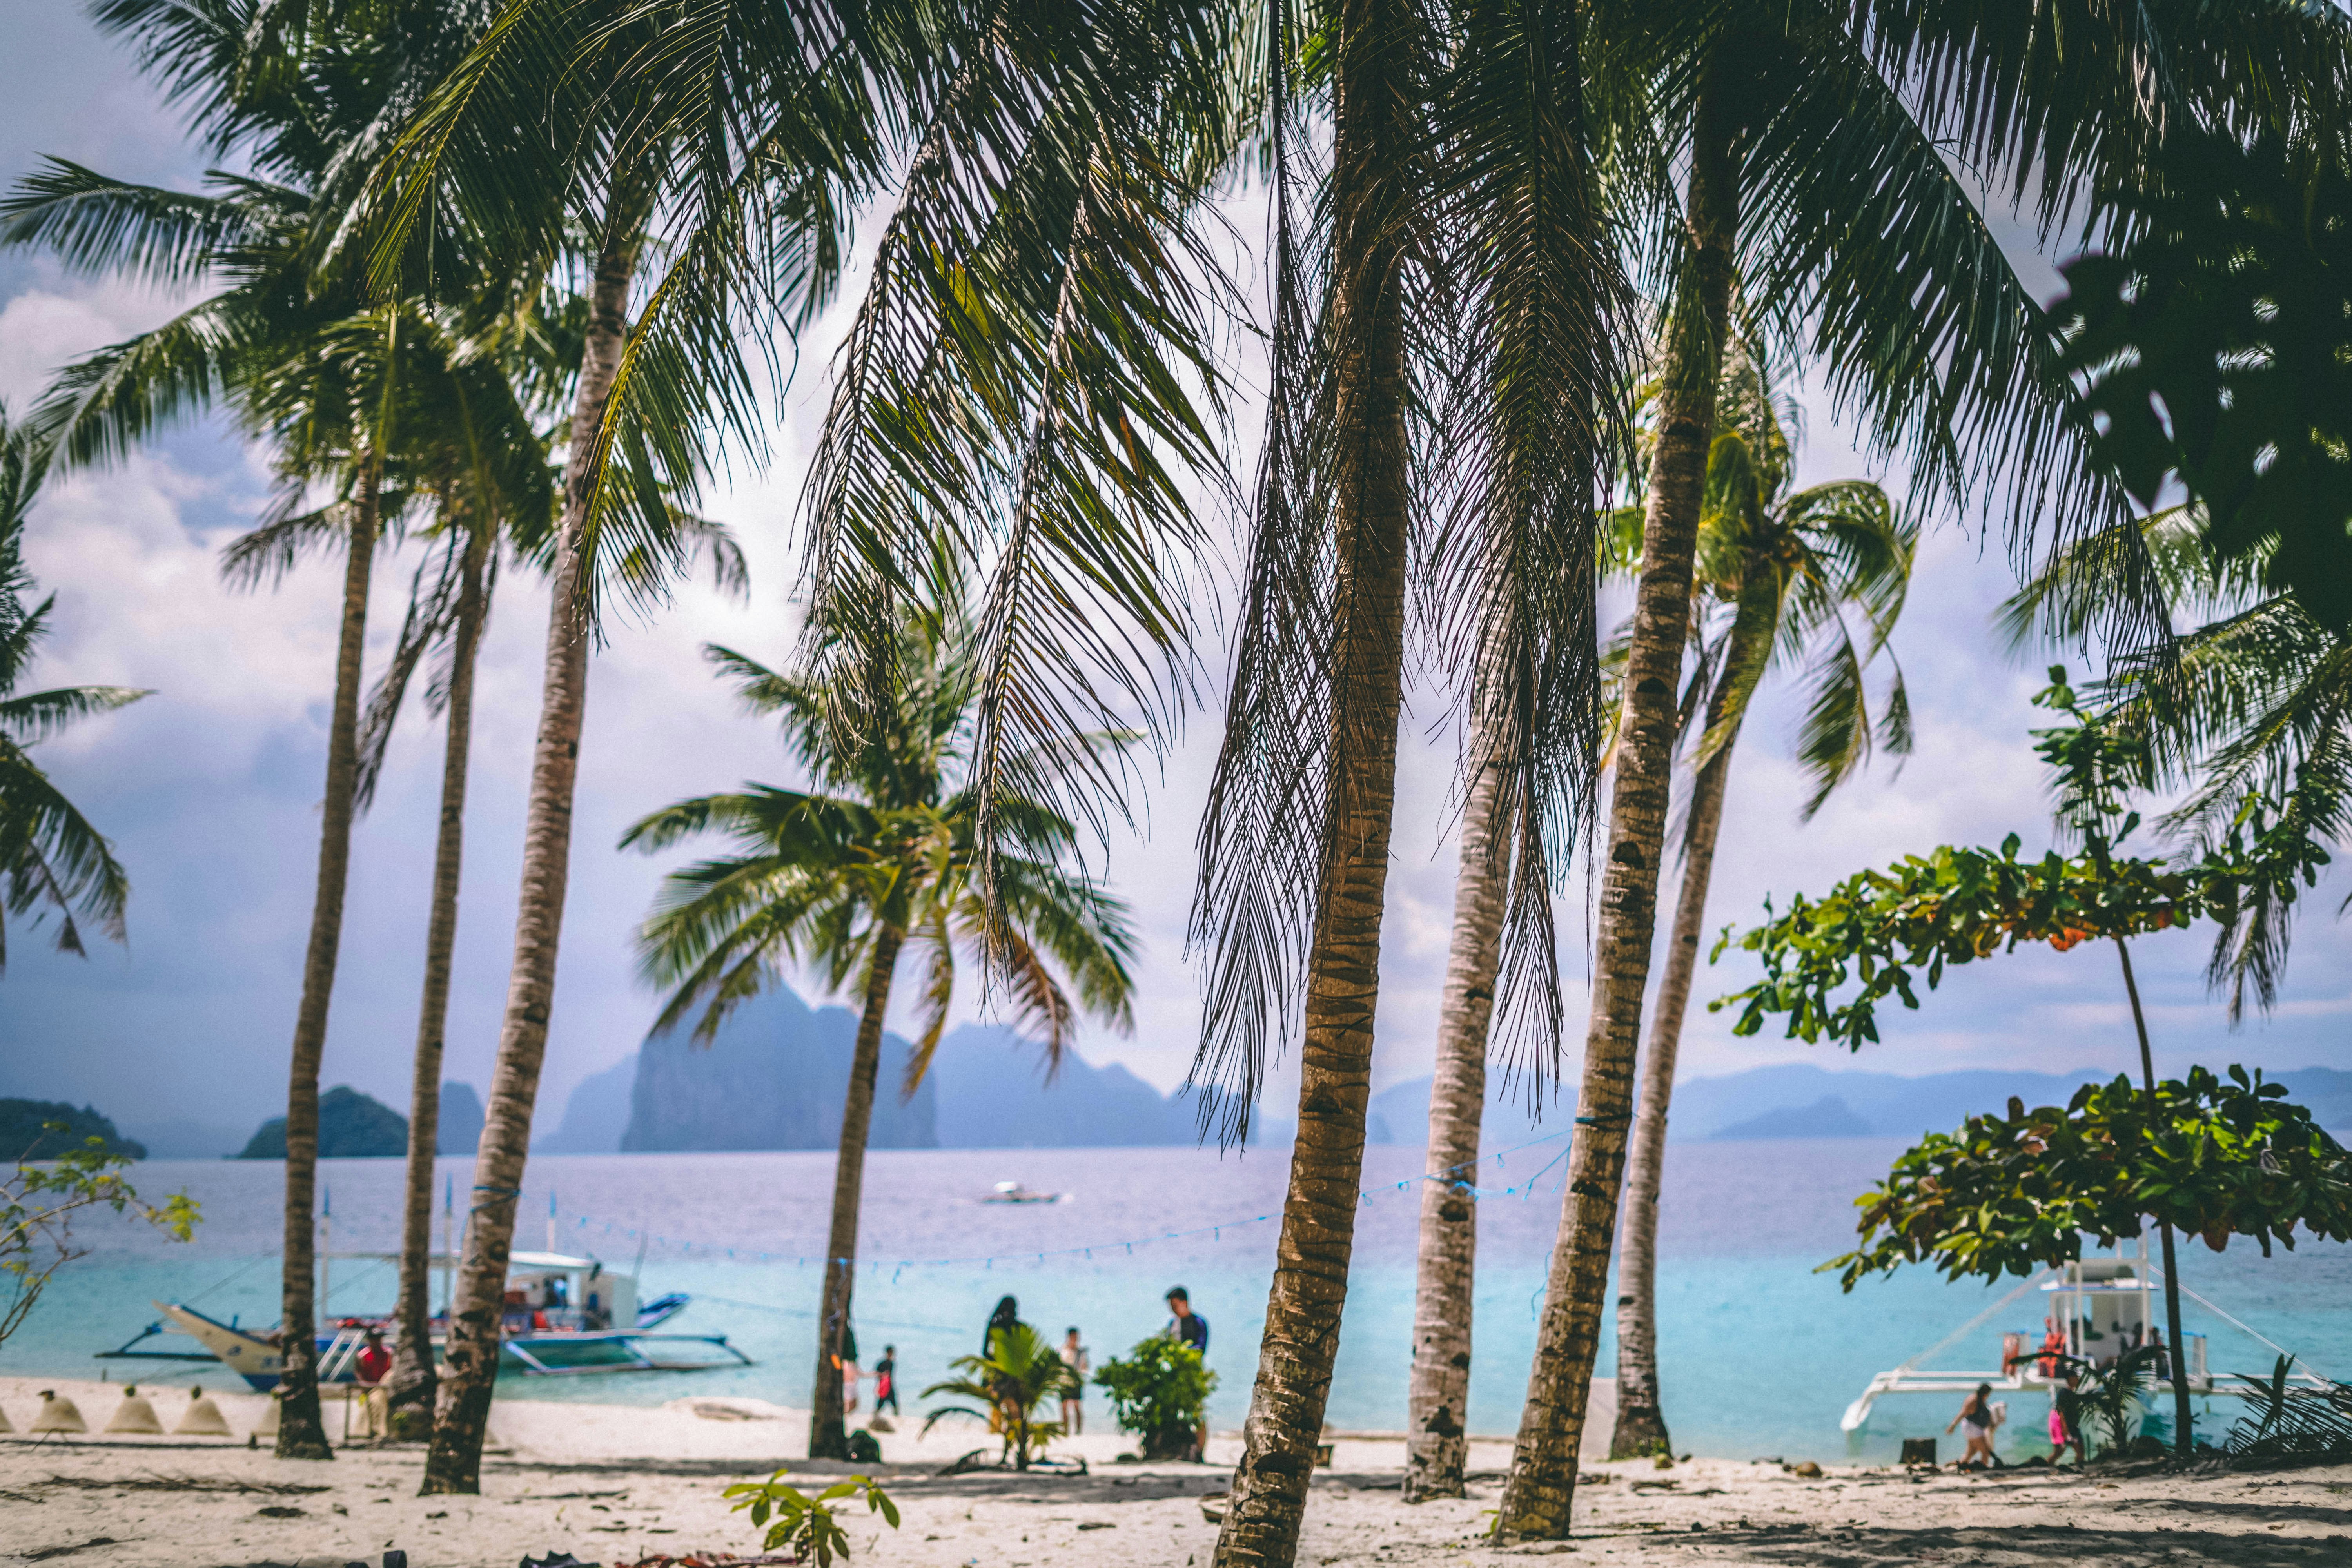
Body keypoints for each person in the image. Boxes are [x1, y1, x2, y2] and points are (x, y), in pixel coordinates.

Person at [1946, 1383, 2002, 1469]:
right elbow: (1963, 1413)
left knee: (1972, 1451)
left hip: (1974, 1428)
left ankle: (1959, 1464)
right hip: (1973, 1428)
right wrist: (1952, 1426)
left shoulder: (1980, 1398)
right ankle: (1983, 1469)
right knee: (1986, 1451)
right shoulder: (1973, 1399)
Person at [354, 1326, 392, 1441]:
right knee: (370, 1406)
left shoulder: (389, 1354)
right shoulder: (362, 1355)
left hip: (385, 1387)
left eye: (379, 1338)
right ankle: (369, 1432)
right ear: (369, 1340)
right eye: (374, 1339)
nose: (377, 1341)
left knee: (380, 1405)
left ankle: (380, 1432)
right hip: (368, 1388)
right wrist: (363, 1384)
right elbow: (358, 1372)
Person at [1059, 1327, 1090, 1436]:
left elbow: (1085, 1367)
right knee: (1064, 1407)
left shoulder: (1081, 1352)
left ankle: (1078, 1432)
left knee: (1077, 1407)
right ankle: (1065, 1431)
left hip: (1076, 1382)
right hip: (1064, 1381)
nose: (1075, 1339)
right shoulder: (1063, 1350)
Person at [1165, 1286, 1208, 1354]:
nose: (1173, 1310)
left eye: (1175, 1306)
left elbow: (1201, 1347)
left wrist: (1182, 1351)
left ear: (1184, 1303)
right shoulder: (1173, 1323)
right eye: (1172, 1307)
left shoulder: (1198, 1322)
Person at [873, 1345, 899, 1418]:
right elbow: (877, 1374)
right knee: (881, 1403)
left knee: (894, 1403)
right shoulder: (883, 1363)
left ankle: (897, 1417)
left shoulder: (892, 1363)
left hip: (890, 1385)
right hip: (884, 1386)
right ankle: (876, 1416)